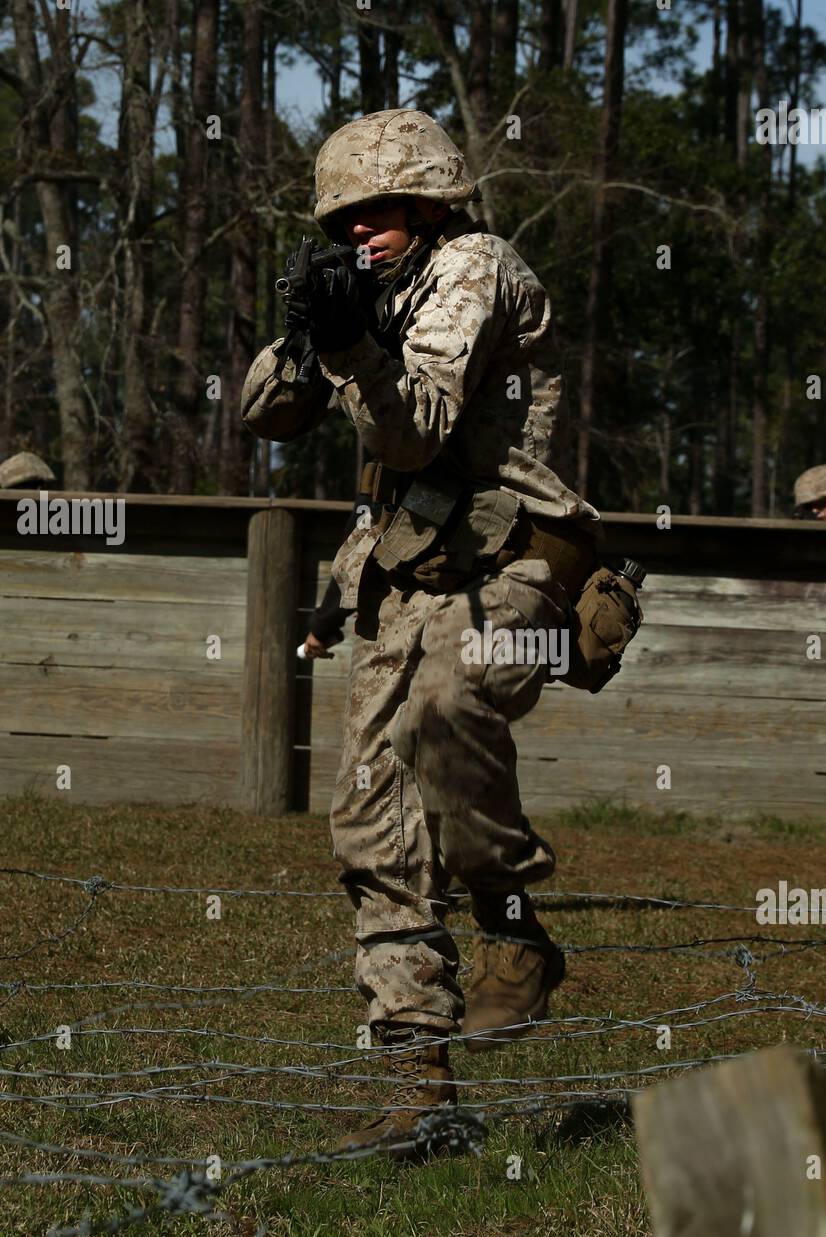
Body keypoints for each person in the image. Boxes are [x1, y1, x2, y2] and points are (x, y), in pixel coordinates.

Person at [241, 109, 603, 1161]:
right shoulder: (374, 286)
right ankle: (416, 1084)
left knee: (451, 705)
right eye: (344, 220)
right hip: (402, 581)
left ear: (432, 201)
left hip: (514, 573)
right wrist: (312, 331)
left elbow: (420, 426)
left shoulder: (476, 267)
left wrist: (355, 342)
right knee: (372, 830)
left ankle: (507, 920)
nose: (360, 232)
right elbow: (267, 417)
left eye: (379, 212)